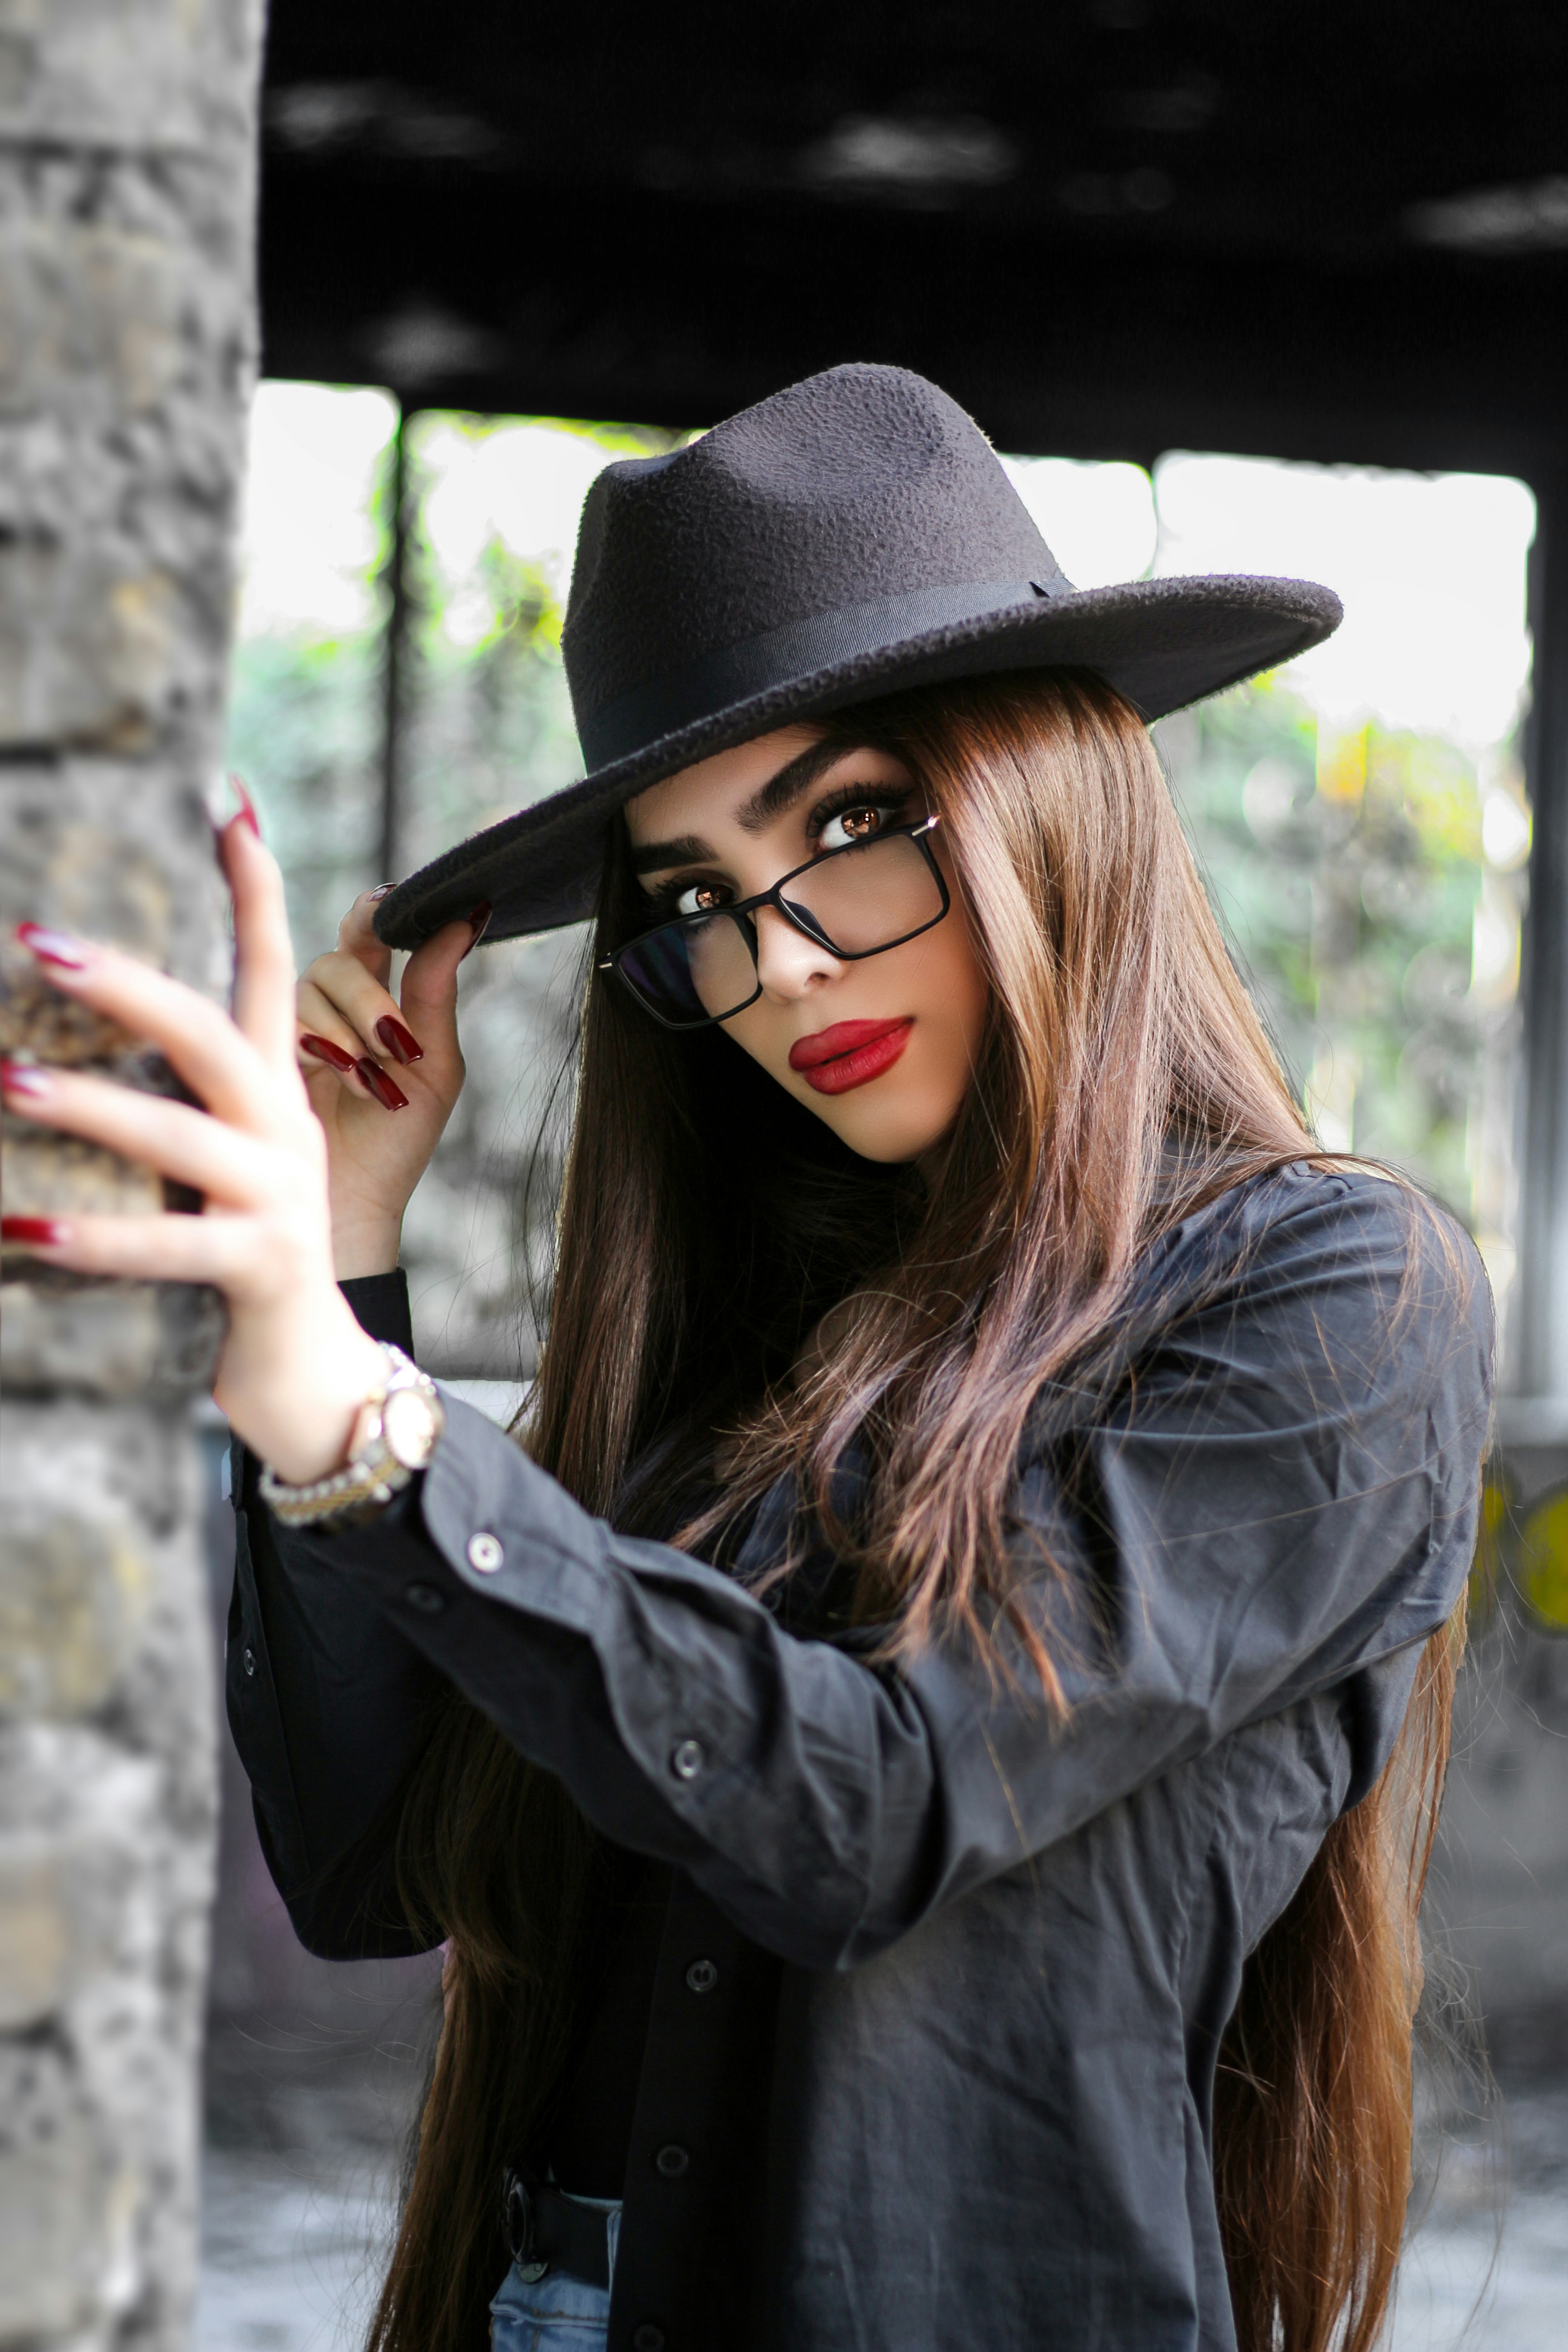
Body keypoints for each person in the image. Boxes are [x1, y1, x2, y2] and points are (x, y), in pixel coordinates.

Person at [1, 365, 1491, 2352]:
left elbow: (884, 1798)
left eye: (855, 822)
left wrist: (363, 1422)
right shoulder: (728, 1327)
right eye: (697, 897)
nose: (778, 960)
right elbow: (376, 1868)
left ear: (1048, 793)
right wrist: (344, 1268)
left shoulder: (1329, 1289)